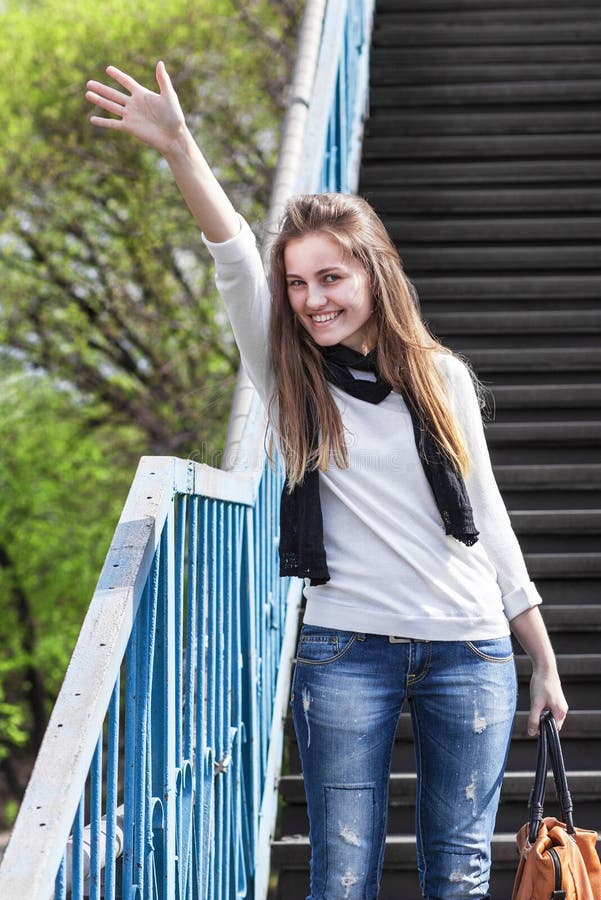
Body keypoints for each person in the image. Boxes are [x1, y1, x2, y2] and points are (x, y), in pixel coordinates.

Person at [85, 63, 569, 900]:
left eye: (330, 278)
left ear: (373, 274)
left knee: (457, 873)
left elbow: (485, 515)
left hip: (471, 648)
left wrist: (541, 655)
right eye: (298, 284)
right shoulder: (292, 381)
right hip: (345, 650)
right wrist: (179, 148)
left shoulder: (441, 378)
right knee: (340, 878)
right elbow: (236, 257)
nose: (311, 300)